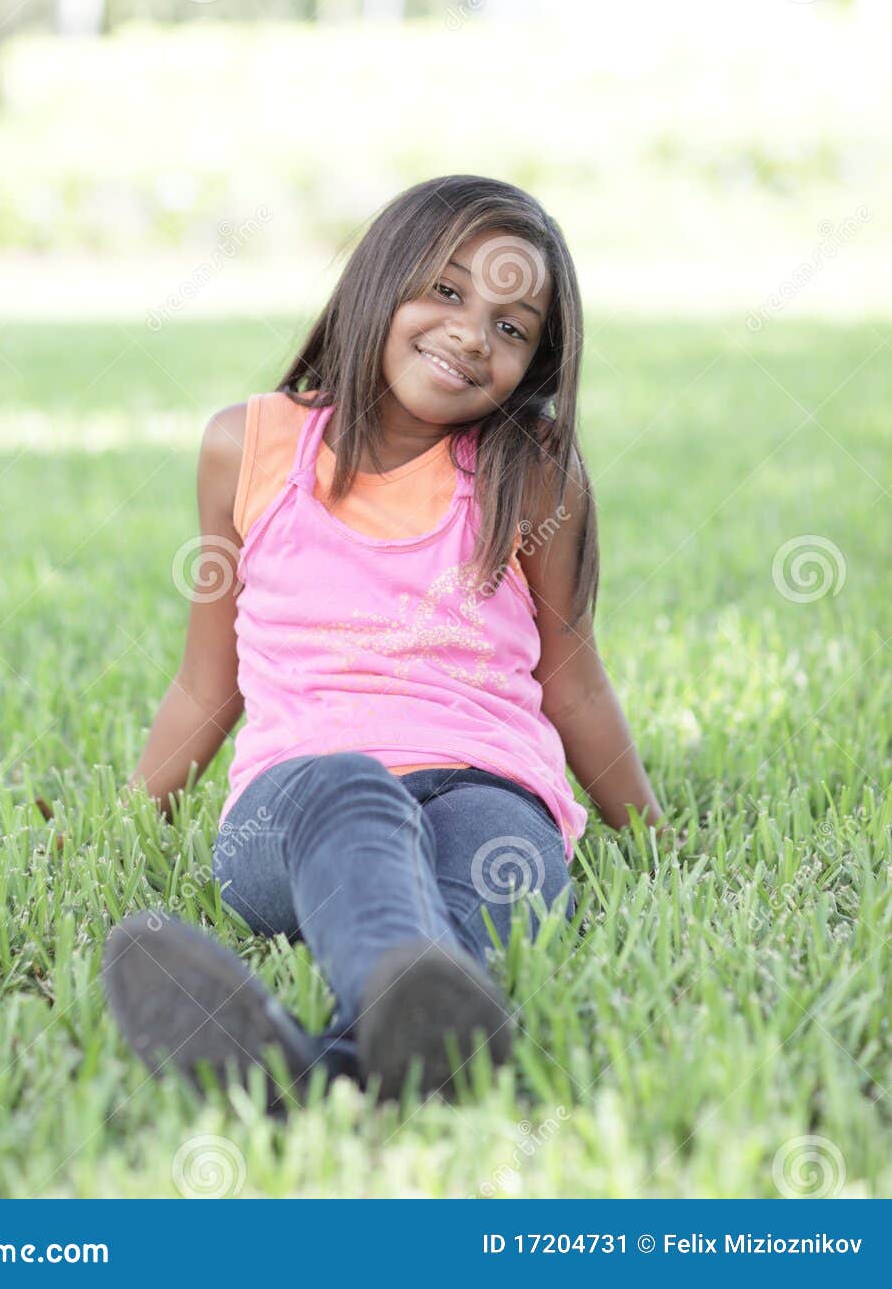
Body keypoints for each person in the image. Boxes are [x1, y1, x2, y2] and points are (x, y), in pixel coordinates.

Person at [102, 174, 665, 1105]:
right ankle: (400, 1038)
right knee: (349, 787)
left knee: (482, 880)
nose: (471, 335)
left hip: (485, 796)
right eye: (445, 290)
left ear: (532, 364)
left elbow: (572, 680)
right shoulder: (248, 447)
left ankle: (322, 1076)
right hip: (297, 809)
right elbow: (209, 682)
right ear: (378, 276)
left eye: (510, 326)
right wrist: (131, 819)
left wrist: (648, 830)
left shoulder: (528, 471)